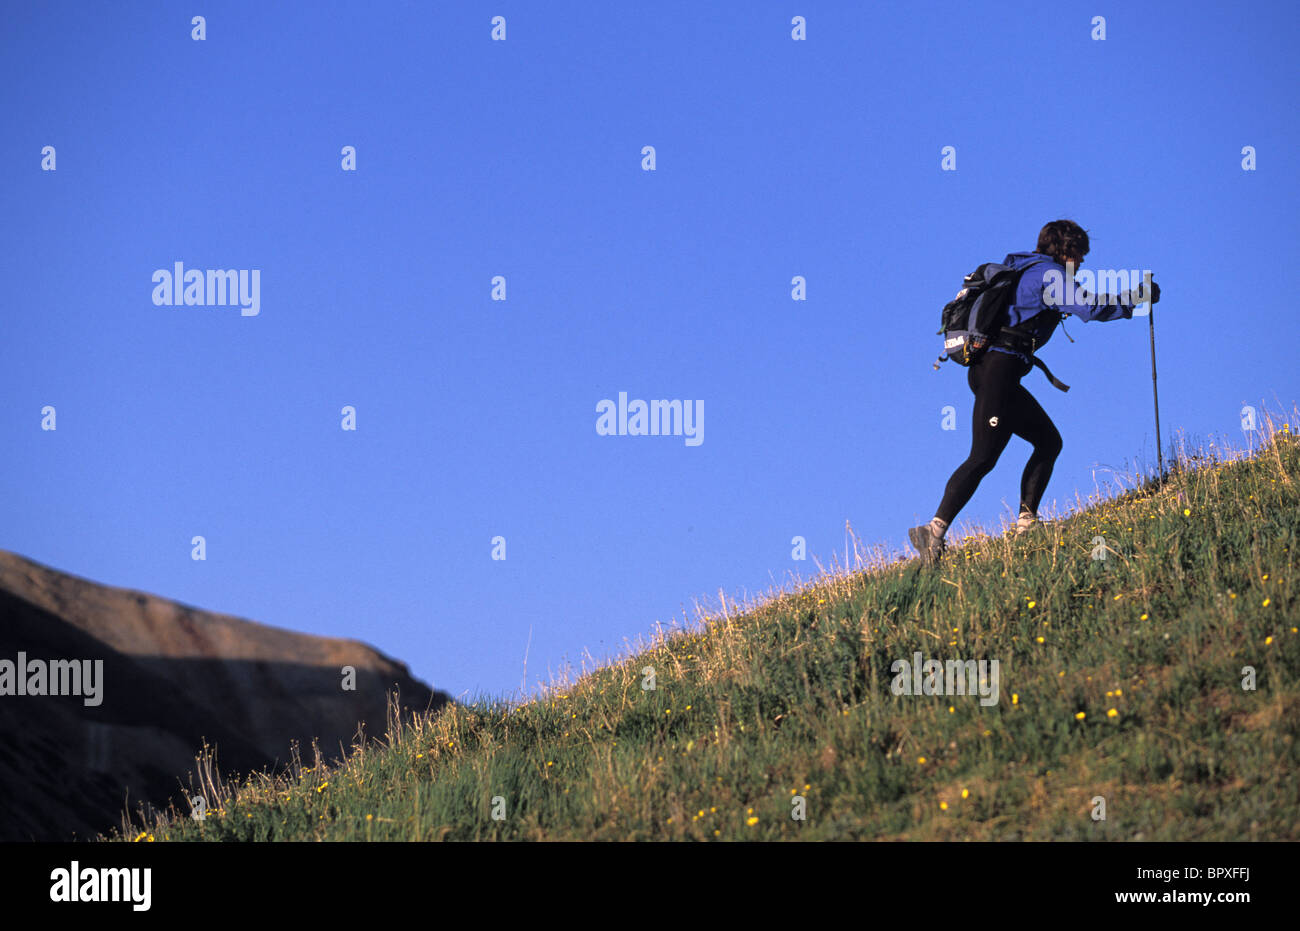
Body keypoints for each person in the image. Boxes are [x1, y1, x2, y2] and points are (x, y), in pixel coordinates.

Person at [909, 219, 1160, 565]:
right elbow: (1088, 308)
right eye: (1081, 255)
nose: (1082, 263)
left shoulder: (1024, 267)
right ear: (1067, 251)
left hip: (998, 373)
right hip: (999, 372)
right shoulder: (1049, 274)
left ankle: (1027, 522)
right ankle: (932, 533)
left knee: (1048, 441)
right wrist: (1135, 299)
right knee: (983, 456)